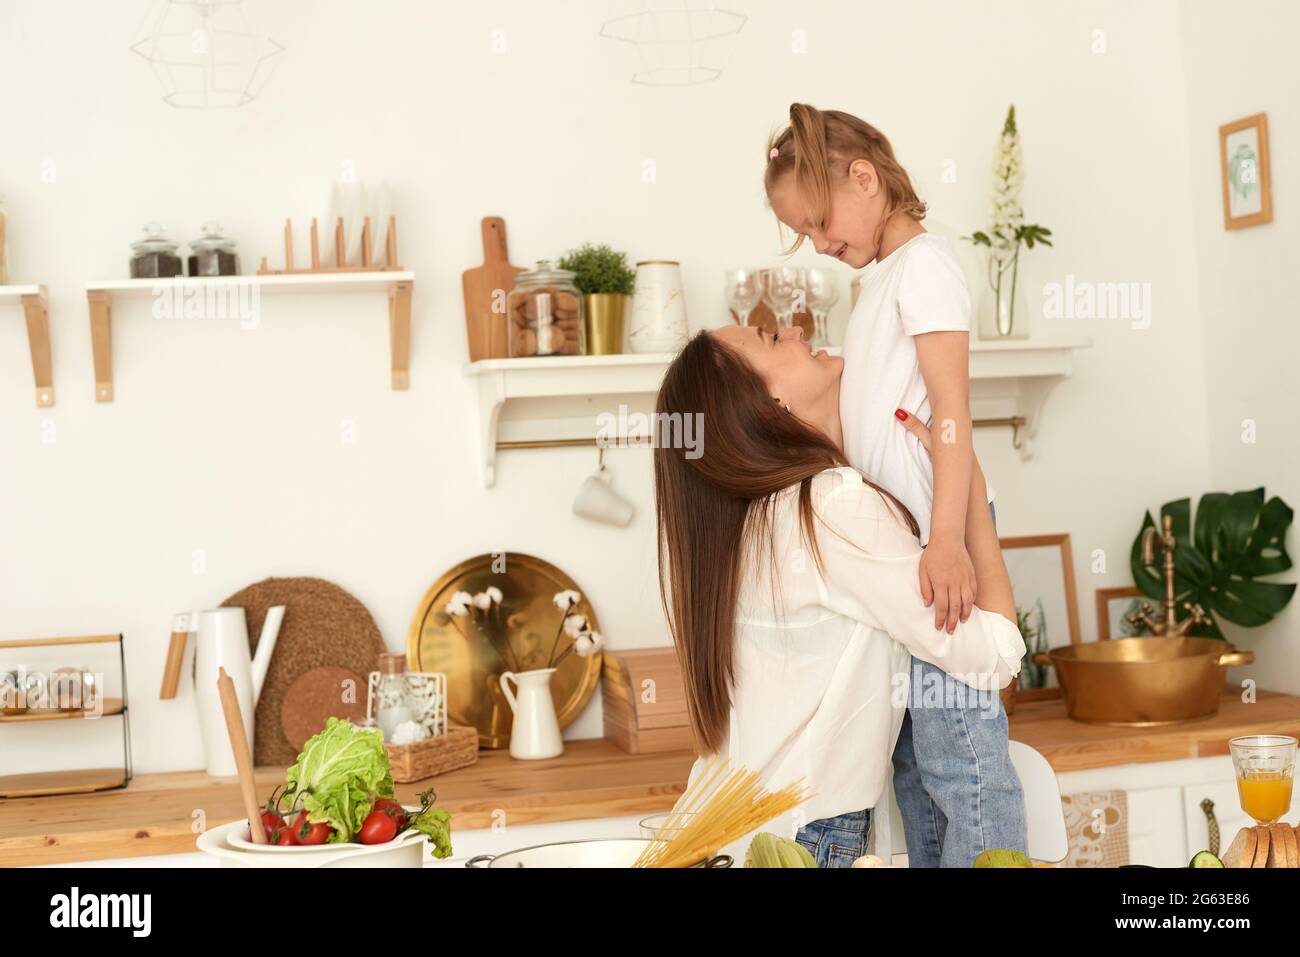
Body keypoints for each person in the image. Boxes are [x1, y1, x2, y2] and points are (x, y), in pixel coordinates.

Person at [761, 102, 1028, 866]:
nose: (818, 244)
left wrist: (947, 538)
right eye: (805, 235)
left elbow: (952, 409)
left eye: (819, 223)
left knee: (963, 757)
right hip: (910, 545)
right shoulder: (877, 282)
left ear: (865, 178)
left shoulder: (927, 266)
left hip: (939, 539)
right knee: (914, 762)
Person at [653, 326, 1025, 867]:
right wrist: (965, 484)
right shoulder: (831, 506)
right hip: (797, 839)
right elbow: (994, 658)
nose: (797, 329)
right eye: (771, 337)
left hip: (713, 835)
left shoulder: (749, 522)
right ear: (770, 404)